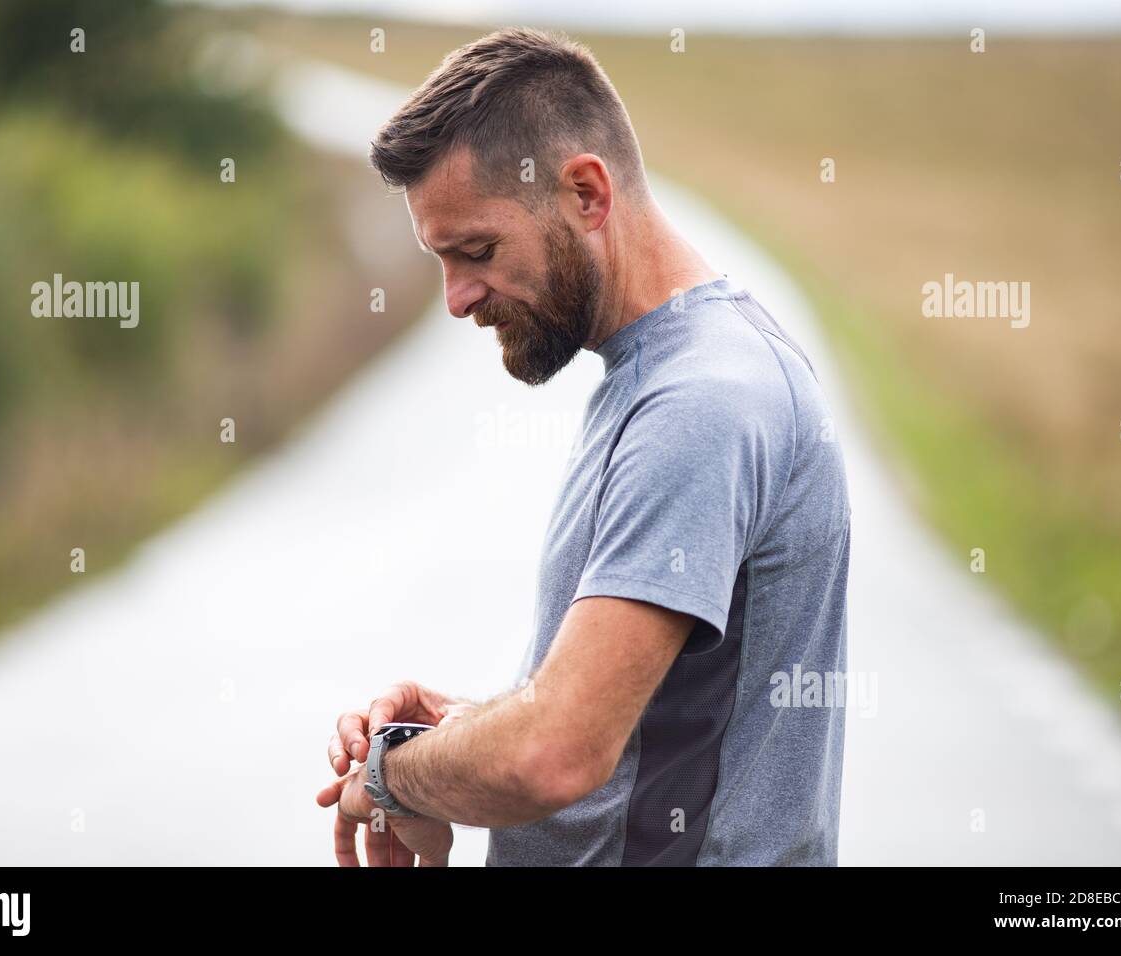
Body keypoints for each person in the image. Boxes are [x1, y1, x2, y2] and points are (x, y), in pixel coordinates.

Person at [316, 26, 851, 867]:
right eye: (441, 260)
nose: (455, 300)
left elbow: (556, 754)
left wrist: (391, 774)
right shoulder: (666, 371)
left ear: (587, 195)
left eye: (477, 251)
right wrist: (461, 733)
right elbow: (619, 727)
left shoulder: (701, 402)